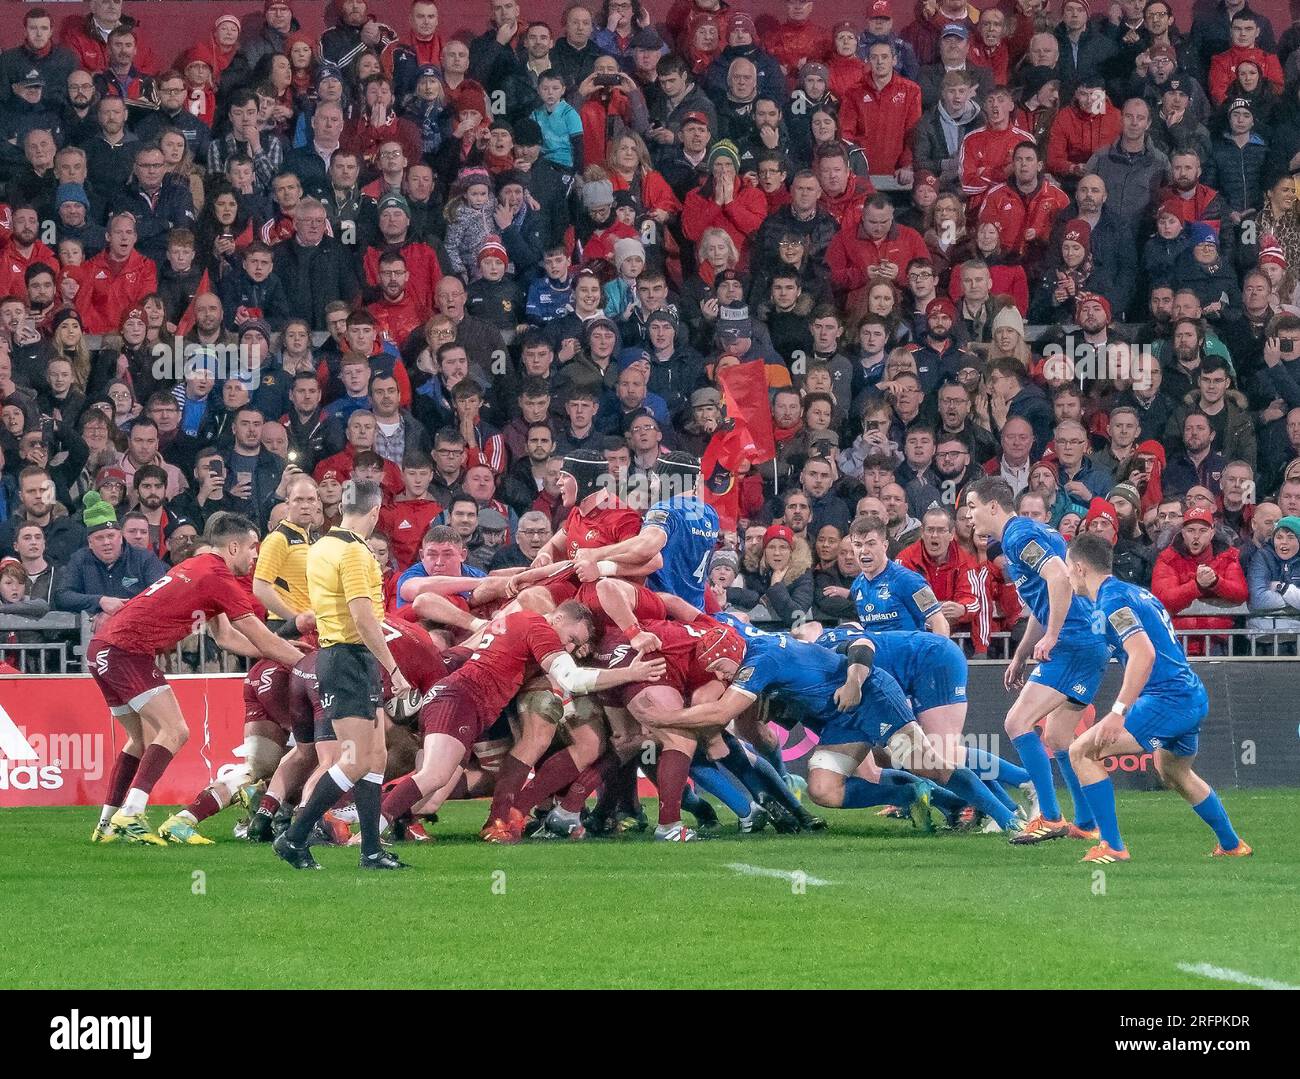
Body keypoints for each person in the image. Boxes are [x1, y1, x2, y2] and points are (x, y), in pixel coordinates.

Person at [87, 512, 304, 844]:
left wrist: (279, 648)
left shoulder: (198, 568)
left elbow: (228, 639)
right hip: (126, 651)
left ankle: (106, 824)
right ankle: (130, 814)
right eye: (252, 549)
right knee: (175, 731)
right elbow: (262, 638)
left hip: (103, 648)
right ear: (234, 546)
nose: (255, 557)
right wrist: (308, 665)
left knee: (141, 739)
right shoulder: (218, 576)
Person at [1065, 532, 1251, 861]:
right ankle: (1233, 845)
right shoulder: (1135, 593)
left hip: (1166, 699)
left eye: (1068, 566)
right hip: (1190, 695)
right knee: (1174, 772)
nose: (1066, 574)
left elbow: (1143, 654)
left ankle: (1112, 846)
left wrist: (1119, 710)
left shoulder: (1112, 601)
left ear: (1080, 567)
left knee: (1081, 752)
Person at [272, 480, 412, 871]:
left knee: (376, 754)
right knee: (354, 759)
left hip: (345, 656)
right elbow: (363, 617)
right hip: (349, 657)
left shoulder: (322, 546)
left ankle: (371, 851)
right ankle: (295, 837)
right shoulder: (354, 552)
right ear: (375, 510)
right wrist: (394, 669)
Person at [965, 476, 1110, 846]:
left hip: (1074, 642)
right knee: (1059, 738)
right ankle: (1087, 821)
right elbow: (1045, 598)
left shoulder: (1015, 538)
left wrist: (1052, 636)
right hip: (1086, 641)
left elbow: (1059, 580)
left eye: (972, 506)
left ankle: (1049, 816)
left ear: (993, 506)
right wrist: (1023, 650)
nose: (969, 516)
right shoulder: (1033, 532)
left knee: (1017, 722)